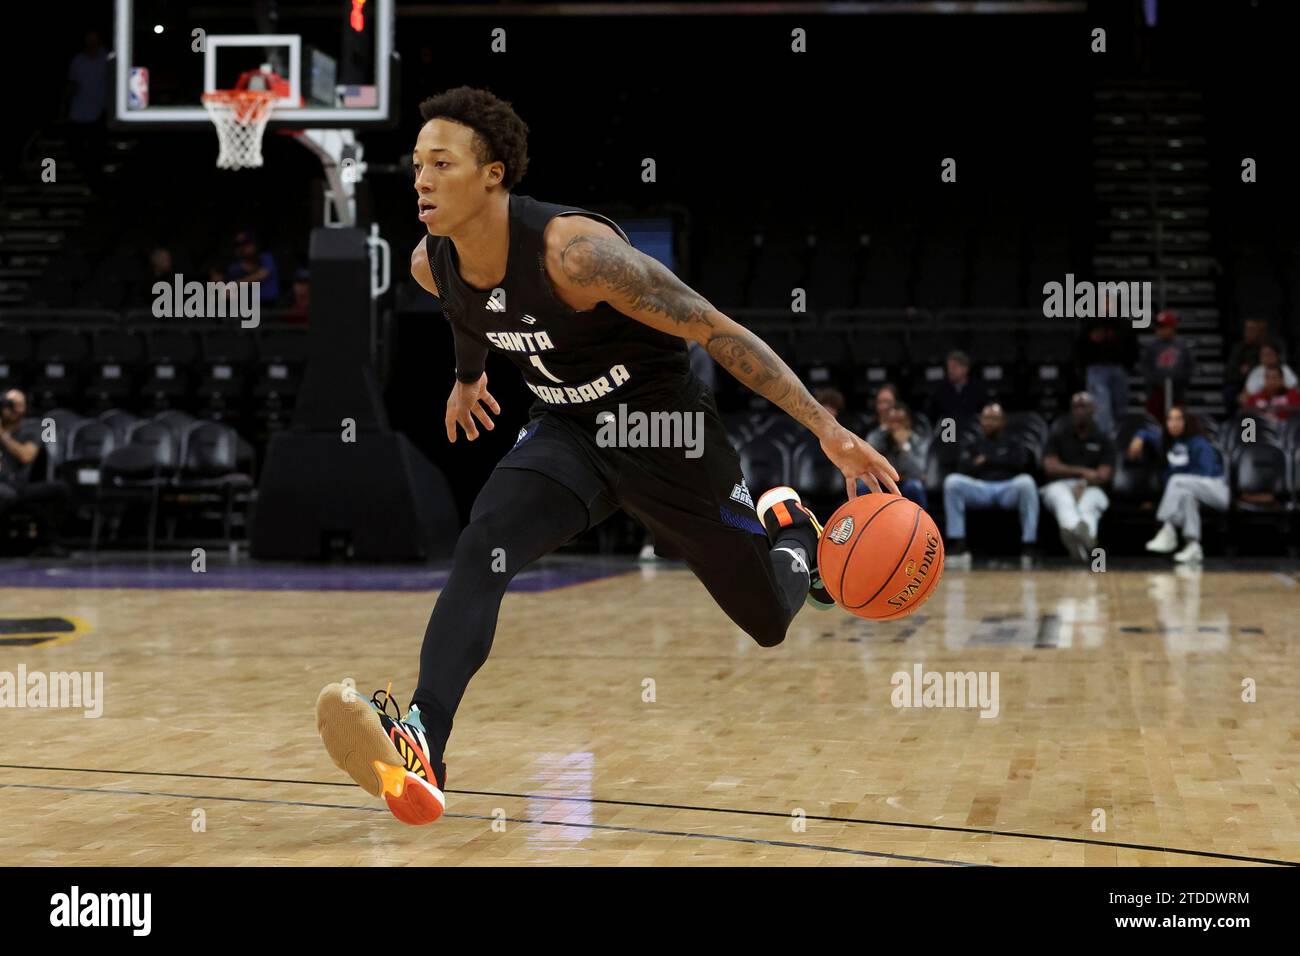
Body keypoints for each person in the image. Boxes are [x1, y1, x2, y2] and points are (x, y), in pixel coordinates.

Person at [314, 86, 901, 826]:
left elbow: (715, 331)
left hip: (664, 432)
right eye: (417, 164)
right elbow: (467, 312)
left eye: (442, 163)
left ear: (493, 173)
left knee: (768, 621)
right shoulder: (433, 264)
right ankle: (423, 738)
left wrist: (827, 429)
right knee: (485, 544)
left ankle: (790, 534)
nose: (422, 179)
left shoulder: (579, 256)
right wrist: (469, 378)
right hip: (568, 430)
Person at [942, 403, 1039, 567]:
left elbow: (1021, 464)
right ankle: (958, 544)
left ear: (1002, 422)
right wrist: (1000, 462)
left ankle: (1029, 545)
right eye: (985, 418)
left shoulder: (1014, 442)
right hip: (981, 489)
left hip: (1007, 488)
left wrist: (987, 461)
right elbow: (964, 467)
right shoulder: (974, 443)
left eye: (993, 419)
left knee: (1027, 483)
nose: (988, 423)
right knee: (952, 482)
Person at [1131, 406, 1226, 564]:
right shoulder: (1170, 442)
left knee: (1177, 481)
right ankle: (1193, 546)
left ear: (1187, 422)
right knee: (1188, 498)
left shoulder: (1200, 443)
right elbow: (1148, 431)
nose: (1173, 423)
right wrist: (1139, 438)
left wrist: (1182, 482)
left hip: (1216, 489)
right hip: (1191, 489)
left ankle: (1167, 529)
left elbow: (1207, 473)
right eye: (1170, 419)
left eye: (1178, 419)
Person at [1040, 392, 1115, 563]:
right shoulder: (1058, 435)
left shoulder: (1104, 439)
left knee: (1089, 506)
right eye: (1076, 407)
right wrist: (1083, 472)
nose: (1079, 411)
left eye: (1084, 407)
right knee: (1062, 499)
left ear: (1093, 409)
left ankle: (1078, 546)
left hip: (1093, 487)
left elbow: (1104, 475)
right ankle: (1094, 554)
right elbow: (1050, 467)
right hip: (1060, 485)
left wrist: (1084, 482)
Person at [0, 390, 69, 558]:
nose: (15, 409)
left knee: (60, 488)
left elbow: (26, 455)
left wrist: (3, 435)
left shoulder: (33, 428)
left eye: (19, 405)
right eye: (10, 405)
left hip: (19, 485)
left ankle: (49, 543)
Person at [1077, 315, 1137, 437]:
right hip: (1096, 369)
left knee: (1120, 408)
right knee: (1101, 409)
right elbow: (1079, 346)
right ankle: (1103, 441)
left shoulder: (1123, 323)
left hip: (1119, 368)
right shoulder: (1090, 321)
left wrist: (1128, 365)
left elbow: (1132, 345)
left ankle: (1119, 440)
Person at [867, 403, 927, 509]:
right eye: (893, 421)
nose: (896, 426)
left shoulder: (916, 440)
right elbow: (867, 454)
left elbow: (919, 471)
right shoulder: (880, 437)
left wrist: (904, 446)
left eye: (900, 421)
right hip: (882, 481)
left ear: (908, 423)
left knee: (914, 487)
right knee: (864, 486)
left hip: (906, 482)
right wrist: (883, 431)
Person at [1140, 310, 1193, 419]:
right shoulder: (1152, 347)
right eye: (1158, 327)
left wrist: (1179, 380)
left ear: (1172, 327)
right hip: (1156, 393)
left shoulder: (1182, 347)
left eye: (1163, 327)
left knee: (1177, 419)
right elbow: (1145, 368)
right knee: (1154, 421)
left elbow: (1189, 367)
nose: (1160, 330)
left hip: (1177, 392)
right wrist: (1156, 381)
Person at [1225, 317, 1282, 409]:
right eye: (1247, 329)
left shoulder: (1283, 368)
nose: (1248, 332)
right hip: (1245, 385)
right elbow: (1231, 371)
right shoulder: (1239, 348)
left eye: (1252, 330)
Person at [926, 351, 987, 429]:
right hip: (948, 434)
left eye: (954, 367)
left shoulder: (978, 389)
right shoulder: (940, 390)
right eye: (948, 367)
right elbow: (931, 417)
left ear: (965, 369)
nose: (950, 371)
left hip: (971, 433)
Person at [226, 230, 280, 304]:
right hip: (248, 307)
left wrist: (236, 284)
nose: (242, 248)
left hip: (271, 305)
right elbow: (228, 293)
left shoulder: (266, 258)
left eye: (246, 243)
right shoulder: (234, 269)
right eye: (238, 245)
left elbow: (261, 276)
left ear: (254, 244)